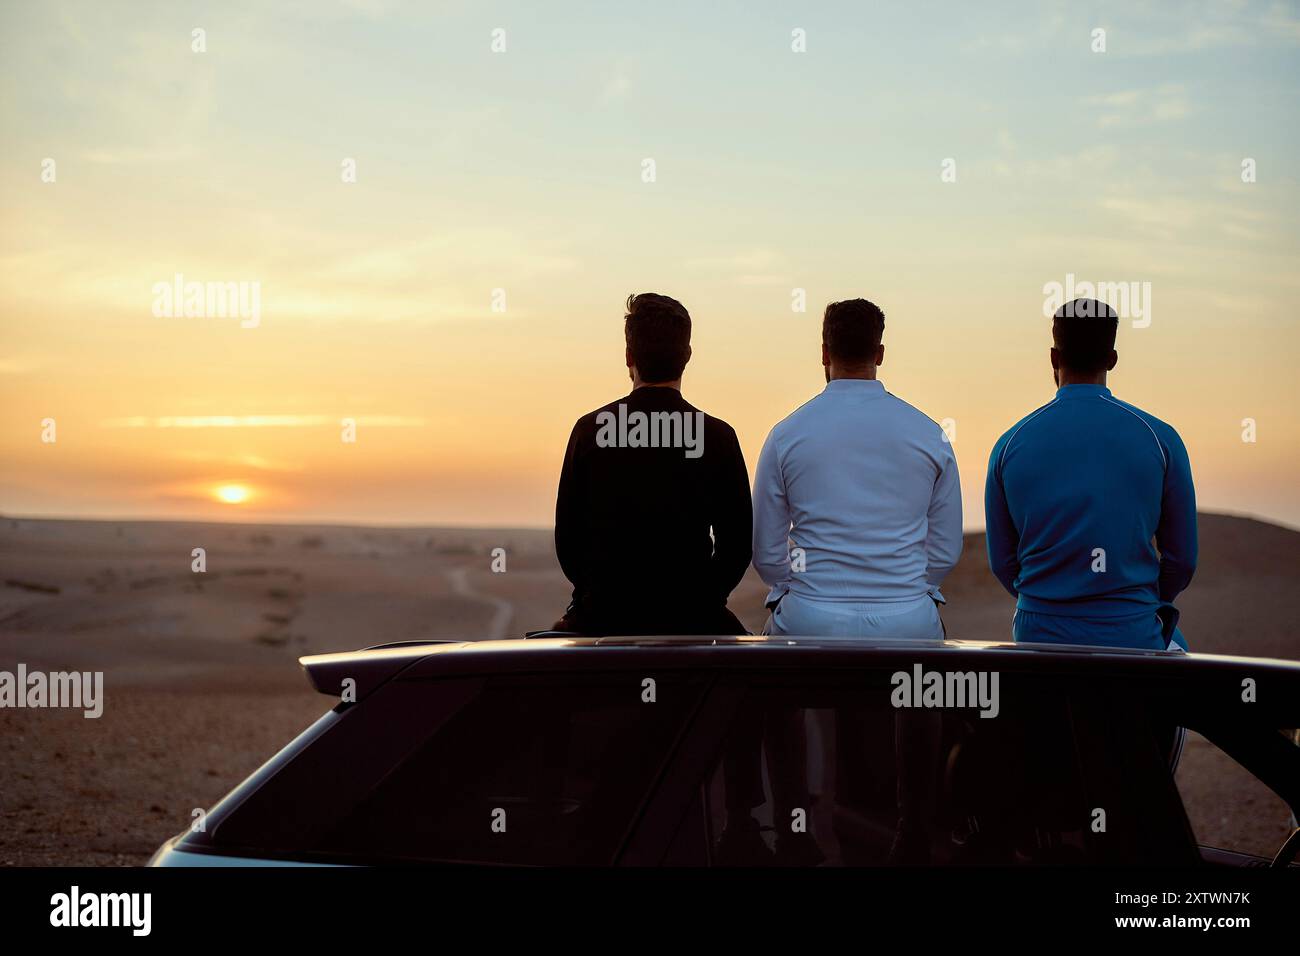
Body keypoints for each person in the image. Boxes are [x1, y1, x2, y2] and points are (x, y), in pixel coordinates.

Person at [984, 298, 1197, 651]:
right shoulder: (1160, 438)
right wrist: (1136, 600)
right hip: (1132, 628)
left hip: (1039, 631)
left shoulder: (1010, 443)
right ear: (1112, 359)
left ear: (1054, 358)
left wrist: (1049, 600)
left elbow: (1003, 562)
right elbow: (1183, 559)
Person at [751, 298, 963, 639]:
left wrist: (798, 589)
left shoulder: (786, 435)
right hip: (908, 620)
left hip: (809, 617)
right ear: (879, 354)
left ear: (824, 353)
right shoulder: (929, 433)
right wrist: (907, 589)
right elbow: (945, 550)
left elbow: (766, 554)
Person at [550, 292, 752, 636]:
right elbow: (737, 546)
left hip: (602, 616)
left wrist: (599, 595)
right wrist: (701, 600)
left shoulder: (590, 430)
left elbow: (568, 540)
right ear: (687, 356)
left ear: (629, 356)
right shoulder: (718, 436)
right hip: (695, 619)